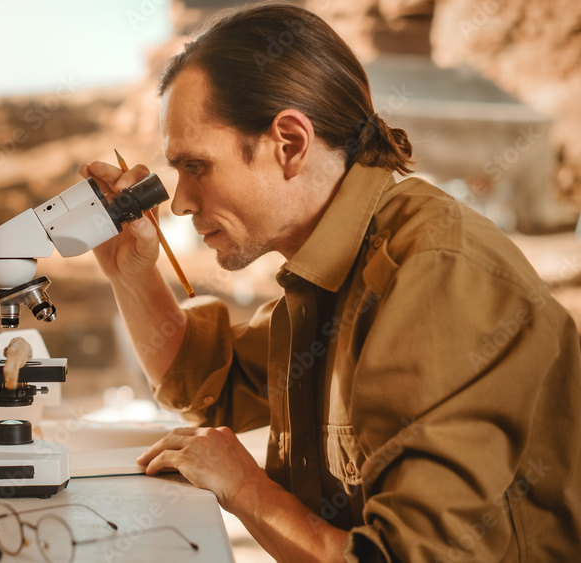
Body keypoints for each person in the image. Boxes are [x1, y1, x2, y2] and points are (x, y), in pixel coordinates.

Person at [79, 4, 581, 562]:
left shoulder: (433, 274)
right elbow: (208, 384)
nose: (180, 202)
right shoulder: (328, 271)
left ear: (290, 143)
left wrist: (245, 487)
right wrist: (130, 273)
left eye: (196, 166)